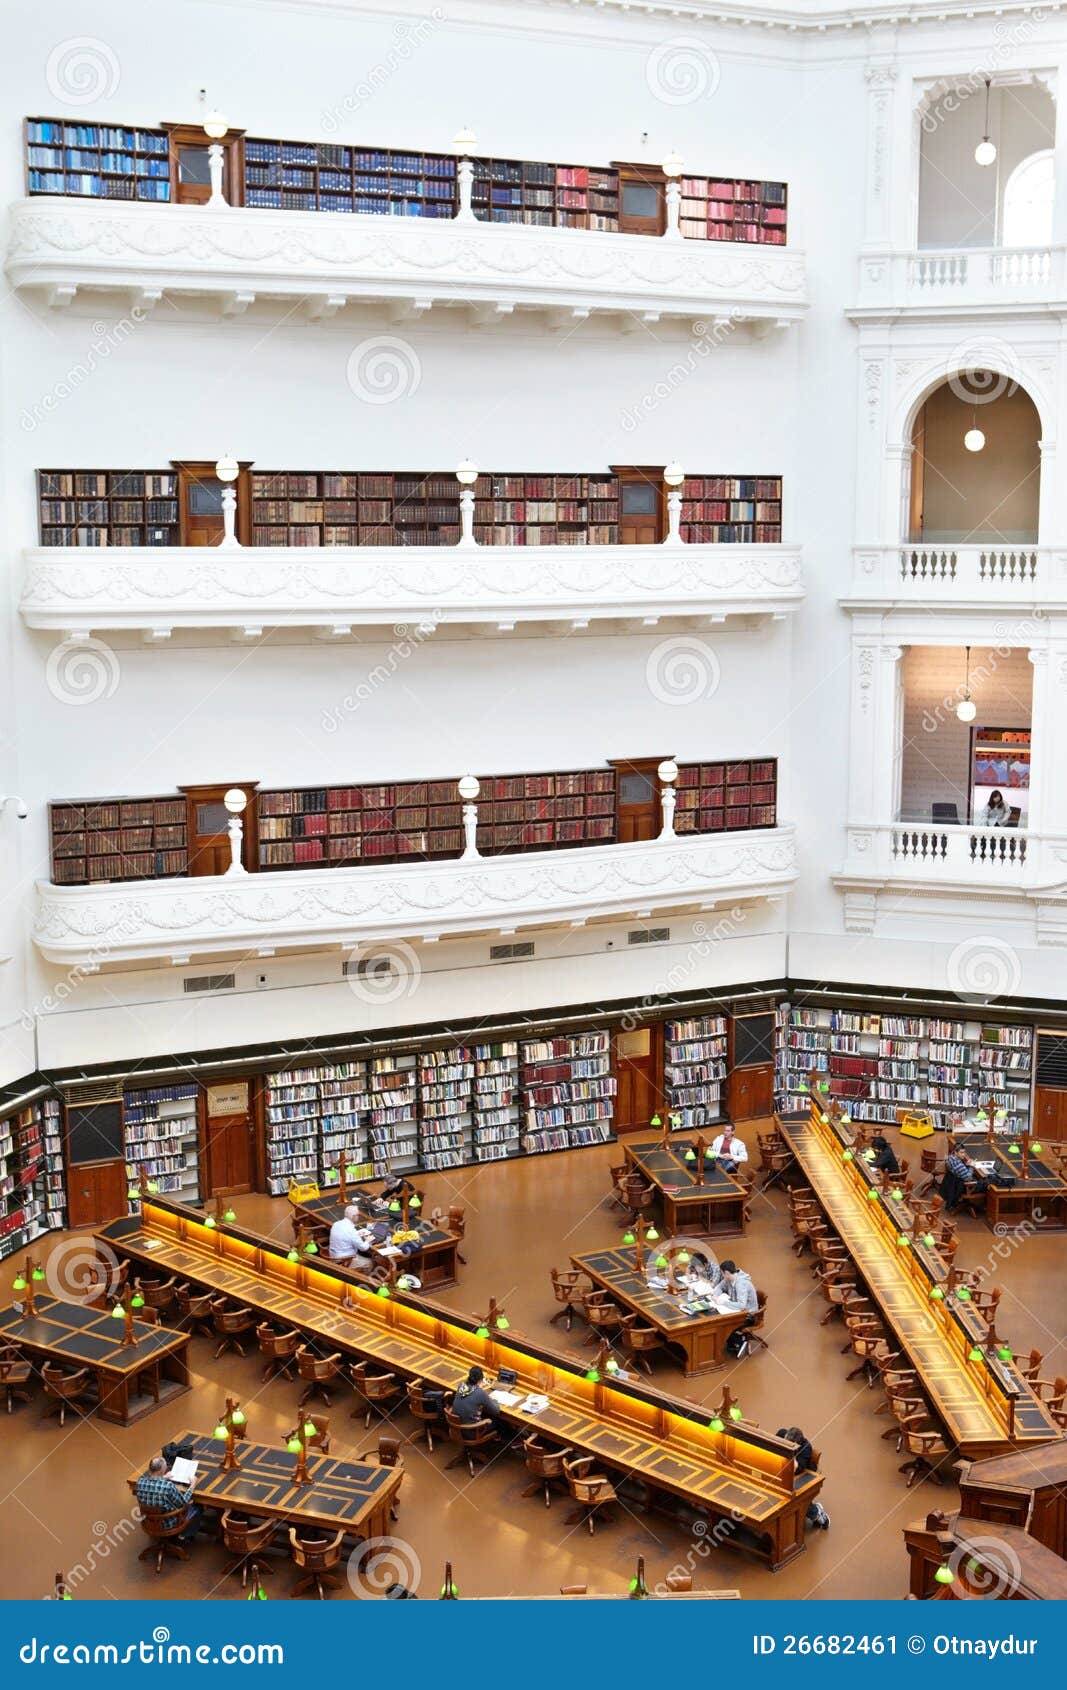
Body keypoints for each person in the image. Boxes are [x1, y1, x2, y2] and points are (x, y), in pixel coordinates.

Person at [135, 1456, 200, 1545]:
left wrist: (164, 1477)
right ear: (162, 1471)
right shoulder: (168, 1486)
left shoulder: (140, 1482)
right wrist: (192, 1485)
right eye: (165, 1467)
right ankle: (183, 1537)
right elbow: (183, 1503)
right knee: (195, 1507)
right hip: (167, 1523)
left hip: (148, 1521)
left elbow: (153, 1485)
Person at [777, 1427, 829, 1530]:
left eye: (789, 1444)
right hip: (783, 1471)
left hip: (804, 1475)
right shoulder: (781, 1433)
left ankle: (817, 1513)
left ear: (797, 1443)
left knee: (796, 1499)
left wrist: (790, 1453)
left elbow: (797, 1470)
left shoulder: (806, 1448)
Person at [719, 1259, 760, 1356]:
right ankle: (733, 1344)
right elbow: (719, 1287)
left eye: (722, 1273)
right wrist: (715, 1295)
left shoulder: (741, 1284)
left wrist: (724, 1303)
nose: (722, 1276)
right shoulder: (730, 1278)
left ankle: (740, 1342)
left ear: (727, 1273)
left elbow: (742, 1305)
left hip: (749, 1315)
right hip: (738, 1312)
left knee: (723, 1325)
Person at [450, 1366, 502, 1433]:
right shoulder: (479, 1392)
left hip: (456, 1428)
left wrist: (478, 1386)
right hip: (472, 1431)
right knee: (499, 1422)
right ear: (481, 1379)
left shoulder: (461, 1385)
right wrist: (495, 1400)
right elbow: (496, 1411)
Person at [940, 1145, 990, 1212]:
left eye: (964, 1152)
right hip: (964, 1187)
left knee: (981, 1178)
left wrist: (966, 1165)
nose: (964, 1154)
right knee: (988, 1182)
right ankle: (987, 1208)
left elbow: (958, 1170)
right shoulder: (959, 1165)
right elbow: (968, 1178)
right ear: (955, 1152)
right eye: (961, 1152)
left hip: (955, 1184)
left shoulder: (950, 1158)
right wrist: (971, 1166)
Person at [328, 1204, 374, 1269]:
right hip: (344, 1260)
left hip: (333, 1255)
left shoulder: (336, 1224)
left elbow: (345, 1235)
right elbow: (363, 1248)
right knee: (369, 1262)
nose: (358, 1217)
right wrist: (368, 1241)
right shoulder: (351, 1231)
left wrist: (357, 1234)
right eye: (358, 1215)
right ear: (353, 1217)